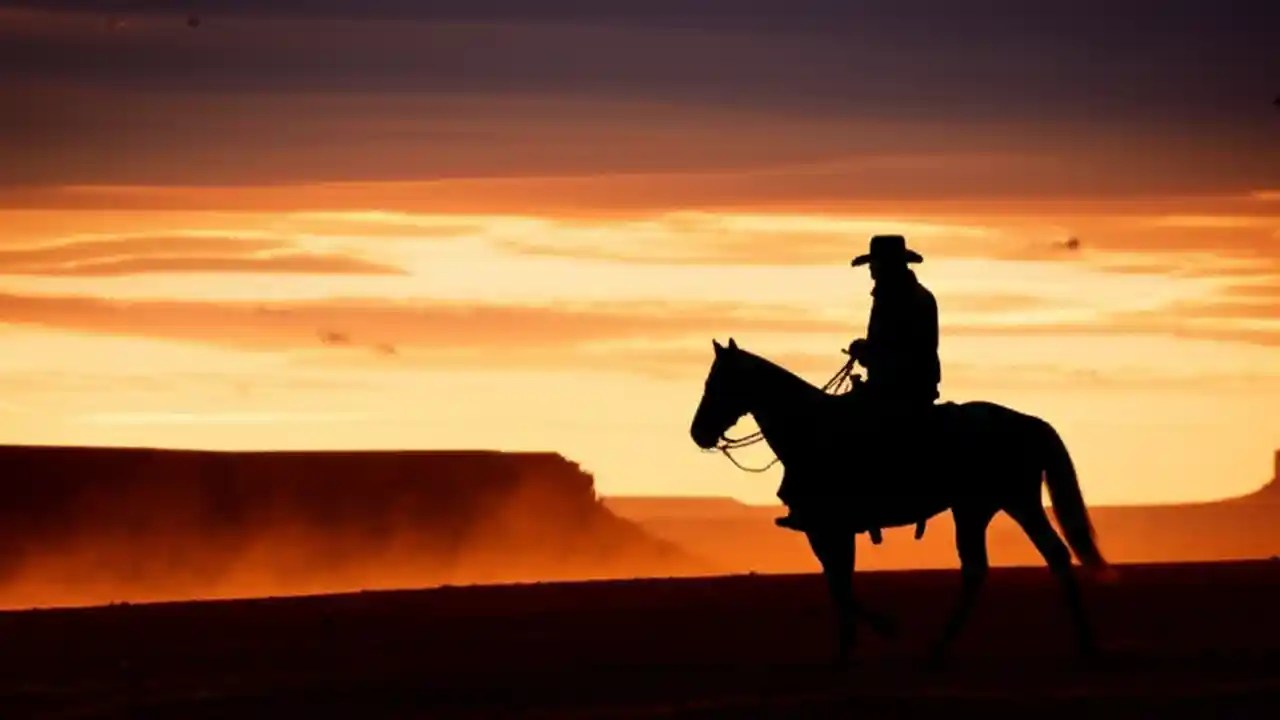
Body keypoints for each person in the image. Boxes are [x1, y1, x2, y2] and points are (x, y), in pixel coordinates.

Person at [775, 234, 941, 532]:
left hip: (899, 388)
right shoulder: (910, 295)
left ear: (887, 264)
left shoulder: (899, 298)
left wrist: (867, 352)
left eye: (874, 264)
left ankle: (853, 504)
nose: (871, 270)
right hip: (905, 384)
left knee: (839, 431)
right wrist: (868, 349)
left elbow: (905, 350)